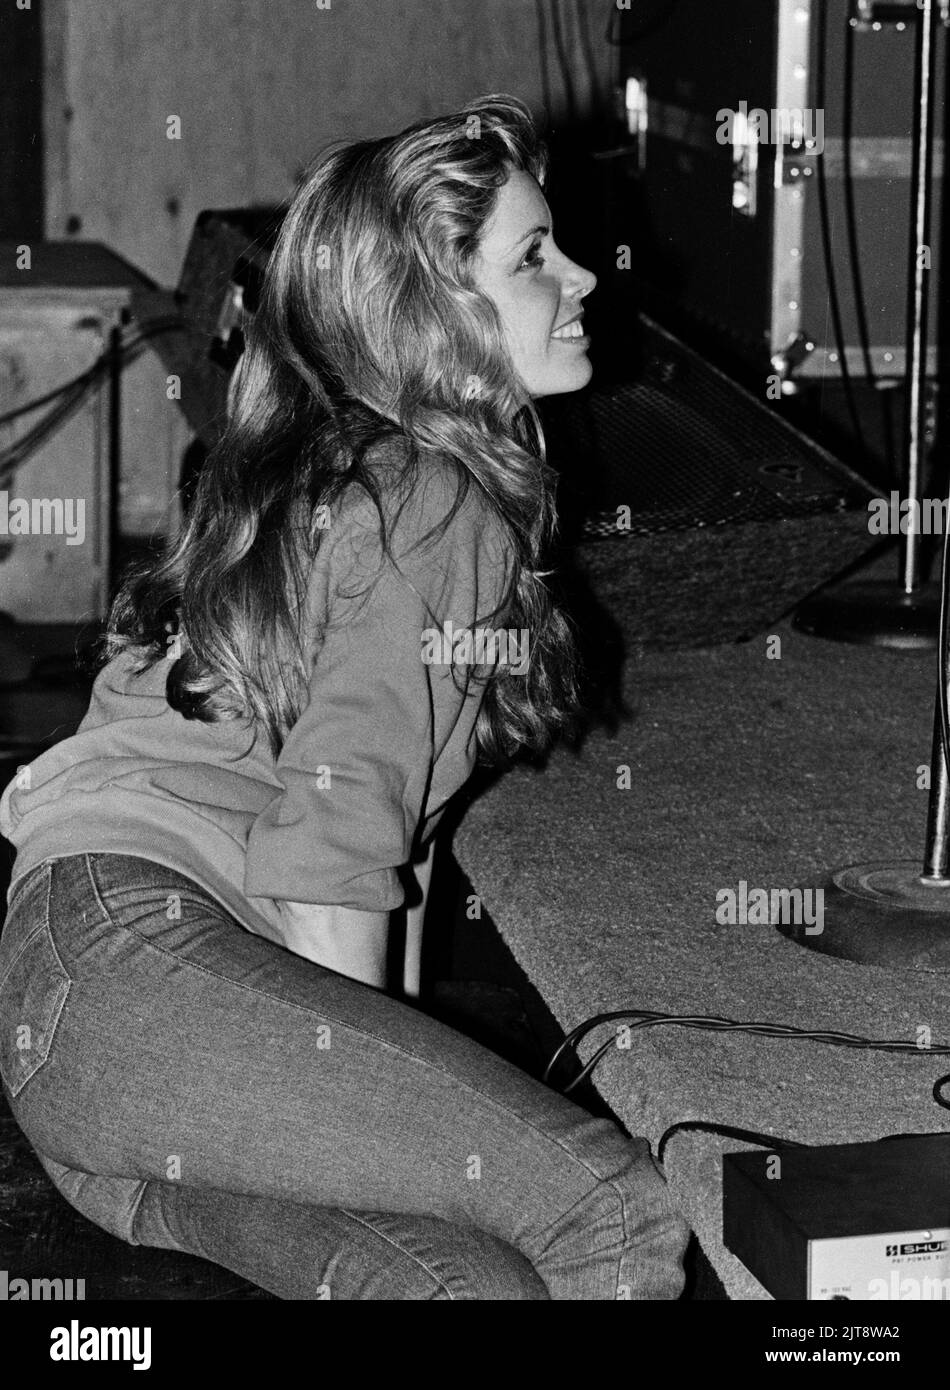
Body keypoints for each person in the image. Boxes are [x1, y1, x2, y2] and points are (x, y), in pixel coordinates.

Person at [0, 95, 689, 1300]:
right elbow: (332, 857)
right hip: (144, 977)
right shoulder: (432, 496)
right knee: (610, 1209)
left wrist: (395, 1106)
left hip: (101, 1052)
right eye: (532, 256)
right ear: (433, 312)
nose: (580, 274)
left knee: (460, 1282)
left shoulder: (345, 466)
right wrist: (387, 1089)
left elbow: (376, 858)